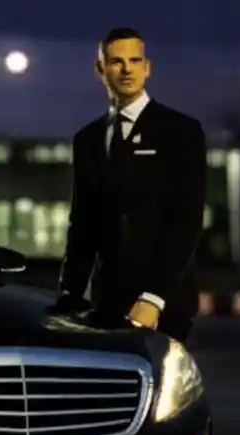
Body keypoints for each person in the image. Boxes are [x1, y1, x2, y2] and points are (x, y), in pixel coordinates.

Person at [53, 27, 207, 343]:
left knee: (159, 389)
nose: (126, 70)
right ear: (101, 69)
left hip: (164, 303)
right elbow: (82, 223)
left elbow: (186, 222)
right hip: (105, 301)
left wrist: (154, 297)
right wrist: (69, 292)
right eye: (116, 62)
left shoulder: (180, 131)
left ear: (147, 68)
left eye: (135, 61)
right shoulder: (88, 139)